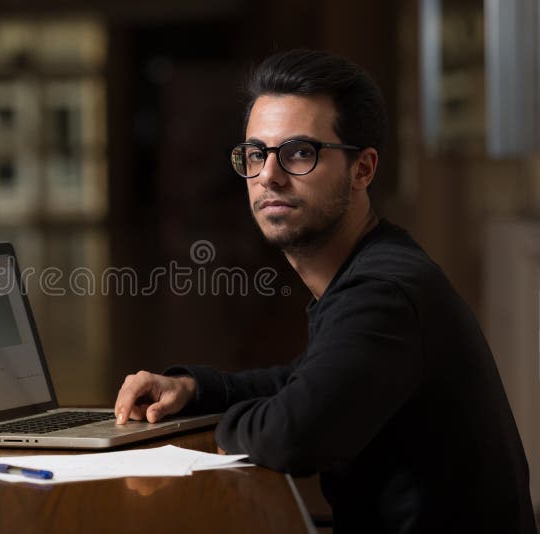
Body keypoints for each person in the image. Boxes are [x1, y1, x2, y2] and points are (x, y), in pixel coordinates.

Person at [113, 49, 535, 533]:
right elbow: (306, 383)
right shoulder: (370, 270)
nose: (268, 175)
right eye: (256, 153)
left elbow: (294, 432)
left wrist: (202, 435)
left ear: (363, 169)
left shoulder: (384, 293)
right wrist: (196, 390)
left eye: (298, 152)